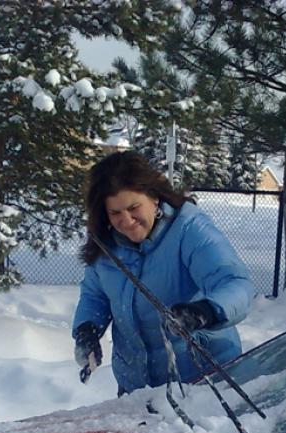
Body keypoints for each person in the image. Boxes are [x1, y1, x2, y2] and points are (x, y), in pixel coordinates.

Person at [73, 150, 255, 393]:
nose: (127, 221)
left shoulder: (189, 229)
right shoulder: (106, 244)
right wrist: (87, 330)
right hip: (136, 388)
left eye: (133, 207)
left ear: (154, 198)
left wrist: (204, 312)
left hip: (203, 383)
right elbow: (95, 296)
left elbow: (235, 283)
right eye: (115, 213)